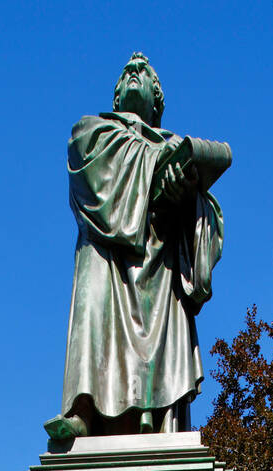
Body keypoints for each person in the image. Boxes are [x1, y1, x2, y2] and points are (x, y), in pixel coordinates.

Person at [44, 52, 228, 440]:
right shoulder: (92, 132)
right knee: (93, 283)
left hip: (160, 266)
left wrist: (187, 192)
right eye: (127, 72)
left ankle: (158, 414)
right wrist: (156, 170)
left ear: (156, 99)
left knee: (168, 292)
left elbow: (206, 221)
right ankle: (84, 410)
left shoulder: (174, 145)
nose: (132, 74)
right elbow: (95, 187)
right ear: (115, 97)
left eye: (142, 74)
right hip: (108, 260)